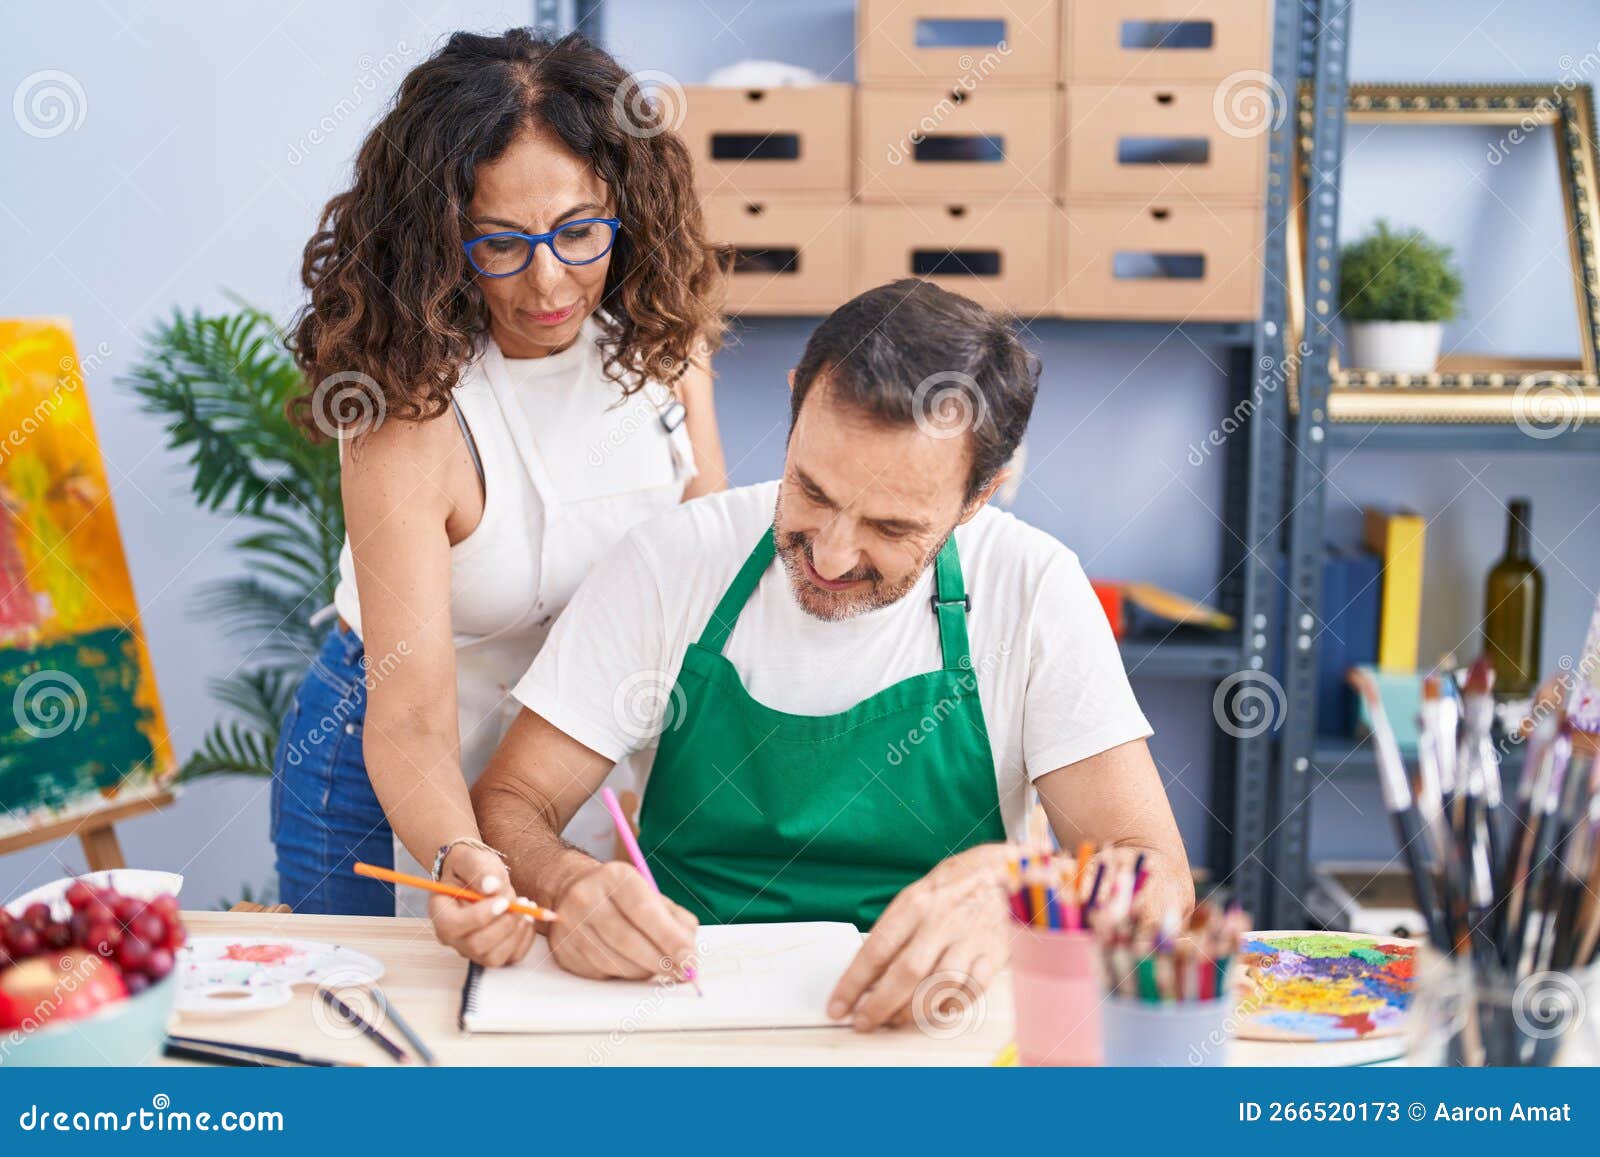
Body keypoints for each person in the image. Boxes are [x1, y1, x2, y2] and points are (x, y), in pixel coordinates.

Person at [455, 279, 1193, 1029]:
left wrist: (1033, 882)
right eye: (811, 489)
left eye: (891, 526)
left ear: (980, 496)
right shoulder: (670, 563)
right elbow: (512, 801)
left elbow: (1159, 875)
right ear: (793, 404)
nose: (833, 555)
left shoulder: (1033, 591)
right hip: (685, 1020)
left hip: (930, 1027)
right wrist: (566, 880)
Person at [271, 27, 730, 948]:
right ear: (441, 238)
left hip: (567, 755)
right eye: (501, 245)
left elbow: (704, 588)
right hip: (386, 762)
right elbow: (407, 716)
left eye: (578, 231)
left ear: (627, 207)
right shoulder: (409, 407)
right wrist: (458, 856)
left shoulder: (662, 349)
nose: (549, 280)